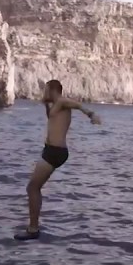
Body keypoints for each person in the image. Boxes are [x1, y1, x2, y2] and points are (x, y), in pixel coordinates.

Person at [15, 78, 101, 241]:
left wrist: (91, 114)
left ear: (52, 89)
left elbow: (76, 104)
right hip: (50, 150)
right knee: (34, 188)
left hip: (55, 151)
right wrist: (46, 104)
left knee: (32, 188)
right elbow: (52, 119)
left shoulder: (62, 101)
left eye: (46, 89)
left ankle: (33, 229)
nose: (44, 92)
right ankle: (33, 228)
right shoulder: (55, 106)